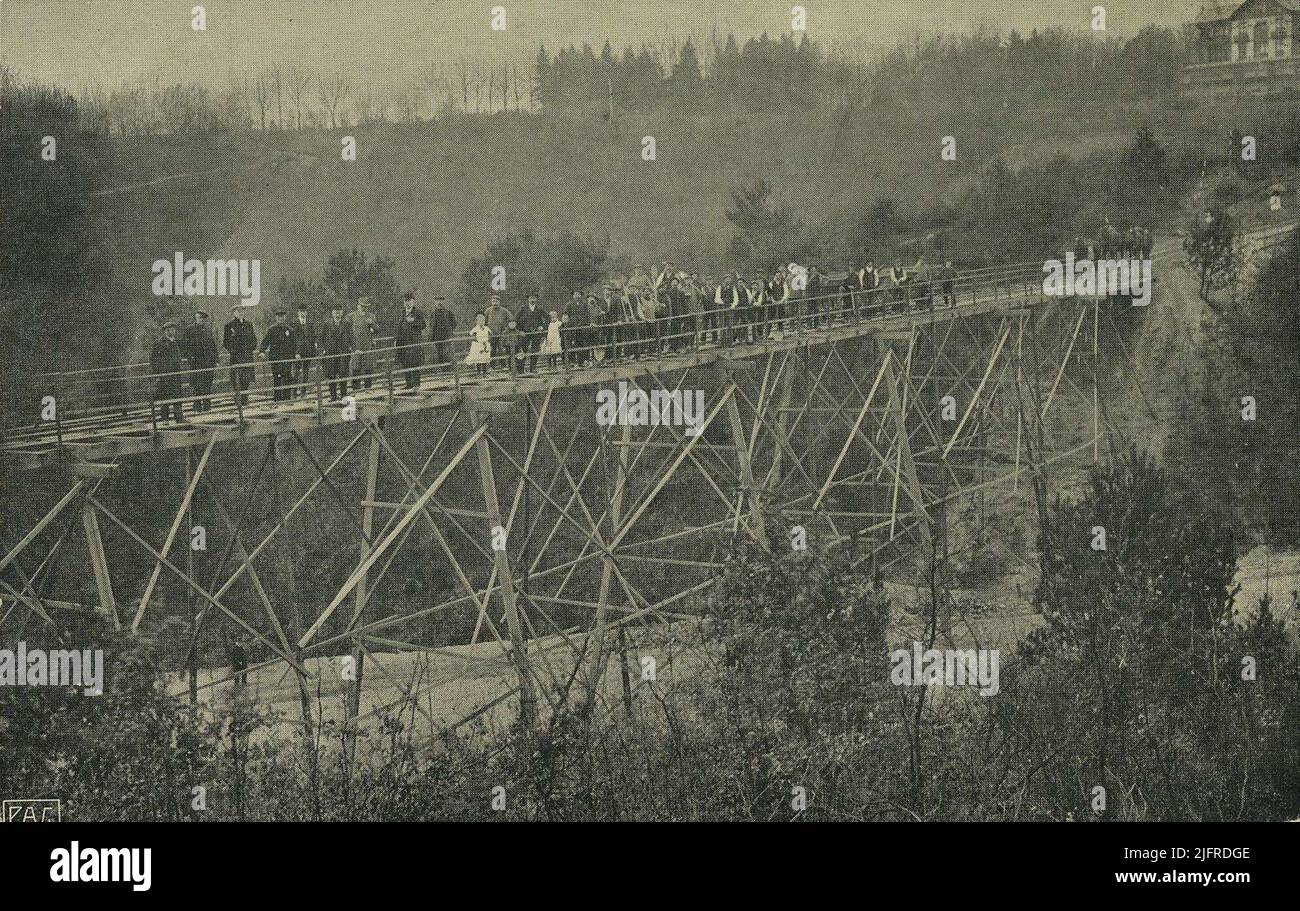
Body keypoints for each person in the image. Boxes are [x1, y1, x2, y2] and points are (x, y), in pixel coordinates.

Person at [181, 310, 217, 412]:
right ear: (196, 318)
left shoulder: (208, 329)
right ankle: (197, 407)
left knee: (207, 385)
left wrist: (215, 359)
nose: (201, 320)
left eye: (203, 318)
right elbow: (184, 346)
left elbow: (213, 345)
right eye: (199, 318)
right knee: (197, 385)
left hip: (208, 362)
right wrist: (189, 357)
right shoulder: (190, 329)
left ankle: (207, 407)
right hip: (196, 363)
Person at [151, 321, 187, 423]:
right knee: (165, 397)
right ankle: (165, 419)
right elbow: (154, 360)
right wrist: (159, 373)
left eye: (173, 329)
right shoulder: (159, 343)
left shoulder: (175, 342)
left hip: (175, 375)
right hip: (165, 375)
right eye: (170, 329)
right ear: (166, 331)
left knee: (177, 396)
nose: (172, 331)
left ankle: (179, 418)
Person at [258, 309, 298, 402]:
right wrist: (262, 351)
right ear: (276, 318)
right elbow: (265, 342)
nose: (281, 319)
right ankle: (277, 399)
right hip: (276, 358)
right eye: (279, 317)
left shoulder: (290, 330)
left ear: (285, 317)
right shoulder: (272, 329)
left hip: (287, 358)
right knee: (277, 378)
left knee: (287, 378)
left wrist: (296, 353)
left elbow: (295, 343)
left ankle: (287, 398)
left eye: (282, 317)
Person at [223, 305, 257, 408]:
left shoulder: (248, 325)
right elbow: (226, 342)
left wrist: (250, 349)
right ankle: (238, 402)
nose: (241, 313)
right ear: (234, 313)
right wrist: (233, 352)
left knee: (246, 380)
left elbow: (254, 340)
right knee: (237, 380)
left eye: (242, 311)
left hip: (247, 357)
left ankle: (245, 400)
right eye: (238, 311)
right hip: (236, 358)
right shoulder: (229, 325)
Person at [321, 303, 354, 401]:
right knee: (331, 375)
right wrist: (323, 349)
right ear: (332, 313)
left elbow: (351, 337)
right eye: (335, 312)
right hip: (330, 353)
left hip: (343, 353)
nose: (337, 314)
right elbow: (321, 338)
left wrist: (352, 347)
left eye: (339, 312)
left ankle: (343, 395)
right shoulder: (327, 324)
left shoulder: (346, 324)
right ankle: (333, 395)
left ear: (342, 313)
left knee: (343, 374)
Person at [396, 291, 427, 390]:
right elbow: (399, 327)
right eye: (405, 301)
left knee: (415, 363)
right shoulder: (402, 312)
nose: (407, 303)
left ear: (413, 301)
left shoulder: (418, 312)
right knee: (406, 363)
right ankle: (408, 384)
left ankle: (416, 385)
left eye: (409, 300)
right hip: (404, 342)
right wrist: (397, 339)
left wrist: (414, 322)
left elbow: (423, 325)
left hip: (414, 343)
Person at [349, 297, 377, 391]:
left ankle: (368, 388)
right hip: (356, 346)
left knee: (368, 368)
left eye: (366, 306)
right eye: (362, 306)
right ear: (358, 306)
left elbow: (377, 330)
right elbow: (346, 330)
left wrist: (372, 323)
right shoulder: (351, 316)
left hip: (367, 346)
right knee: (356, 368)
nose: (364, 308)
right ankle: (356, 389)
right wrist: (350, 345)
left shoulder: (371, 316)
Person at [515, 294, 546, 372]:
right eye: (531, 298)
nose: (532, 299)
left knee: (535, 350)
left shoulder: (539, 309)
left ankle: (533, 368)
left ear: (536, 299)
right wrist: (520, 331)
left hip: (536, 333)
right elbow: (515, 320)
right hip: (525, 333)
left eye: (534, 298)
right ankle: (520, 370)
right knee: (523, 350)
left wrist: (542, 326)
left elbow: (548, 318)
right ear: (528, 299)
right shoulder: (523, 309)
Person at [292, 305, 318, 396]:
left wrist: (314, 345)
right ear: (298, 313)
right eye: (301, 311)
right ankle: (294, 393)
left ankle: (303, 392)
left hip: (308, 351)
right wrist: (296, 352)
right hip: (298, 353)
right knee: (296, 373)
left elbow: (313, 336)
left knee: (306, 373)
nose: (302, 313)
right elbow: (293, 339)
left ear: (306, 313)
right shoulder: (294, 323)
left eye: (304, 311)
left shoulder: (310, 323)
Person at [562, 291, 590, 366]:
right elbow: (565, 316)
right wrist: (567, 325)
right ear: (573, 295)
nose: (577, 296)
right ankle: (571, 362)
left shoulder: (584, 304)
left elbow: (587, 315)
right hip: (572, 328)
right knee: (571, 345)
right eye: (576, 294)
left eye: (579, 294)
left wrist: (585, 324)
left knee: (580, 344)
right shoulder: (569, 304)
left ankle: (581, 362)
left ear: (581, 295)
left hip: (581, 328)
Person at [484, 295, 511, 369]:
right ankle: (492, 366)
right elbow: (483, 321)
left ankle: (503, 365)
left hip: (501, 334)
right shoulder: (488, 310)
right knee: (492, 350)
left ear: (499, 302)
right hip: (491, 335)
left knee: (501, 350)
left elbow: (511, 320)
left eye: (496, 301)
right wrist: (486, 330)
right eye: (493, 301)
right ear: (491, 302)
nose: (495, 303)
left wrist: (506, 330)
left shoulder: (504, 311)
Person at [427, 295, 456, 367]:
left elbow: (454, 323)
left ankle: (450, 371)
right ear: (434, 302)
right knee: (439, 355)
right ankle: (442, 371)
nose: (439, 302)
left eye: (441, 300)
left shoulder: (448, 313)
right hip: (437, 339)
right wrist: (431, 338)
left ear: (443, 302)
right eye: (437, 300)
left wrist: (449, 331)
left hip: (447, 338)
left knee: (448, 354)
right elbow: (431, 326)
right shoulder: (433, 314)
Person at [464, 312, 492, 376]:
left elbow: (490, 334)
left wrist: (487, 341)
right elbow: (471, 335)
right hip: (478, 345)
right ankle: (478, 372)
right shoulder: (475, 329)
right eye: (479, 321)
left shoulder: (486, 328)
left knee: (485, 359)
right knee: (478, 359)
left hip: (485, 344)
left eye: (483, 321)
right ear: (476, 321)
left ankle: (484, 372)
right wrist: (477, 340)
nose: (481, 322)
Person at [586, 293, 607, 362]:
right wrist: (589, 323)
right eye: (590, 298)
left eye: (593, 298)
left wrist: (602, 314)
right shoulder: (585, 308)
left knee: (597, 343)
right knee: (589, 344)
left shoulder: (597, 307)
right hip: (589, 329)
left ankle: (597, 359)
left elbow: (601, 318)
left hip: (597, 329)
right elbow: (584, 318)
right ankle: (590, 359)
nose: (592, 299)